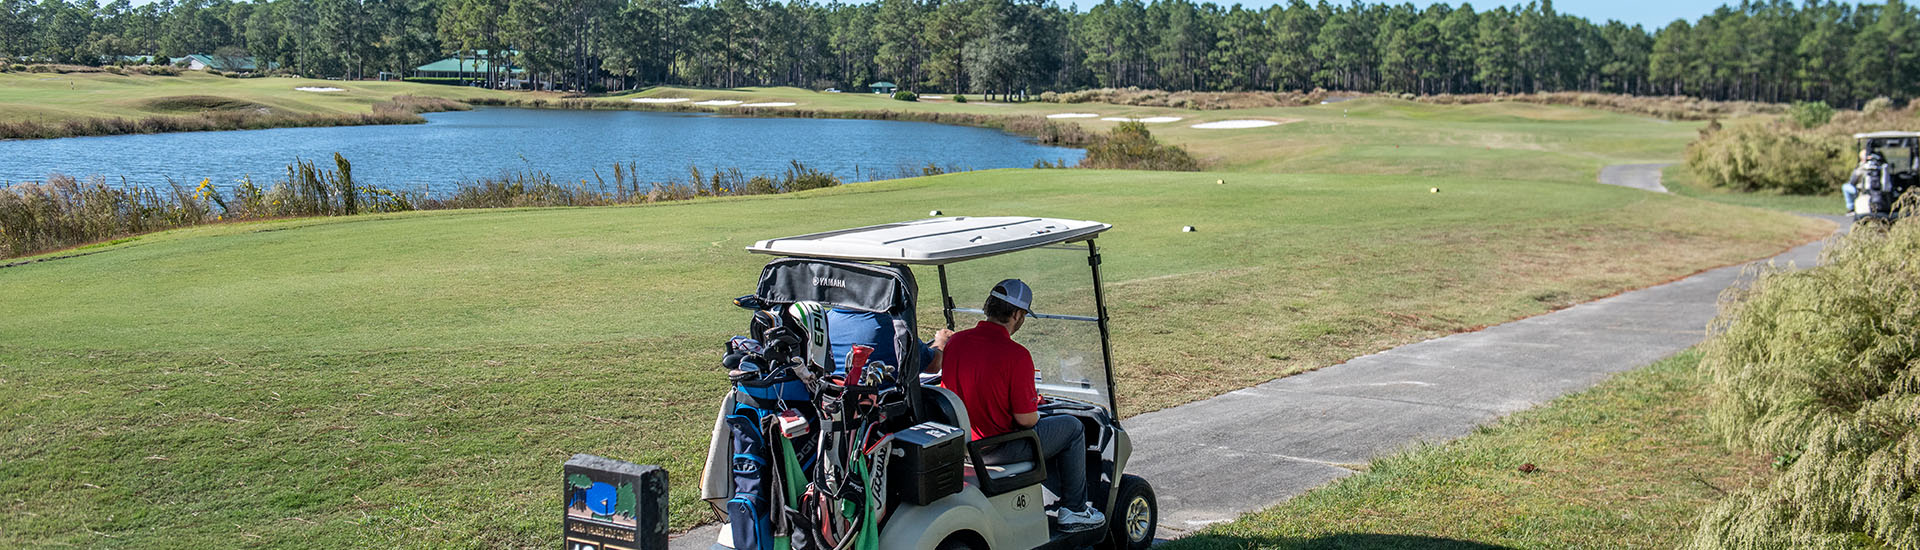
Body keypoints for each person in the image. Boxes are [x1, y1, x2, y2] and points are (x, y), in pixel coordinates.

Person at [939, 279, 1106, 532]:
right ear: (1017, 314)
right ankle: (1074, 510)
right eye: (1024, 315)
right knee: (1072, 428)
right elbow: (1026, 419)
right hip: (995, 448)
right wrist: (1036, 410)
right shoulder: (1016, 355)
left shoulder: (956, 342)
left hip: (961, 443)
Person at [826, 308, 951, 376]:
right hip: (881, 411)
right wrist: (941, 342)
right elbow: (933, 365)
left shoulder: (825, 320)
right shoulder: (888, 326)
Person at [1845, 148, 1878, 213]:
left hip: (1861, 189)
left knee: (1845, 187)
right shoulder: (1877, 165)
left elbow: (1852, 181)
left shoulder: (1861, 167)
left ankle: (1851, 208)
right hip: (1872, 188)